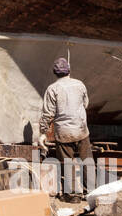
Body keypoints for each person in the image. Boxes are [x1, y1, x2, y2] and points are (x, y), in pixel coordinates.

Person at [39, 57, 91, 196]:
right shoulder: (80, 84)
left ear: (55, 73)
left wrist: (43, 132)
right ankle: (92, 191)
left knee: (68, 164)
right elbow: (85, 104)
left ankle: (73, 195)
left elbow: (48, 113)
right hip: (81, 130)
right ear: (69, 70)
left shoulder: (52, 89)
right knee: (87, 162)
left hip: (63, 133)